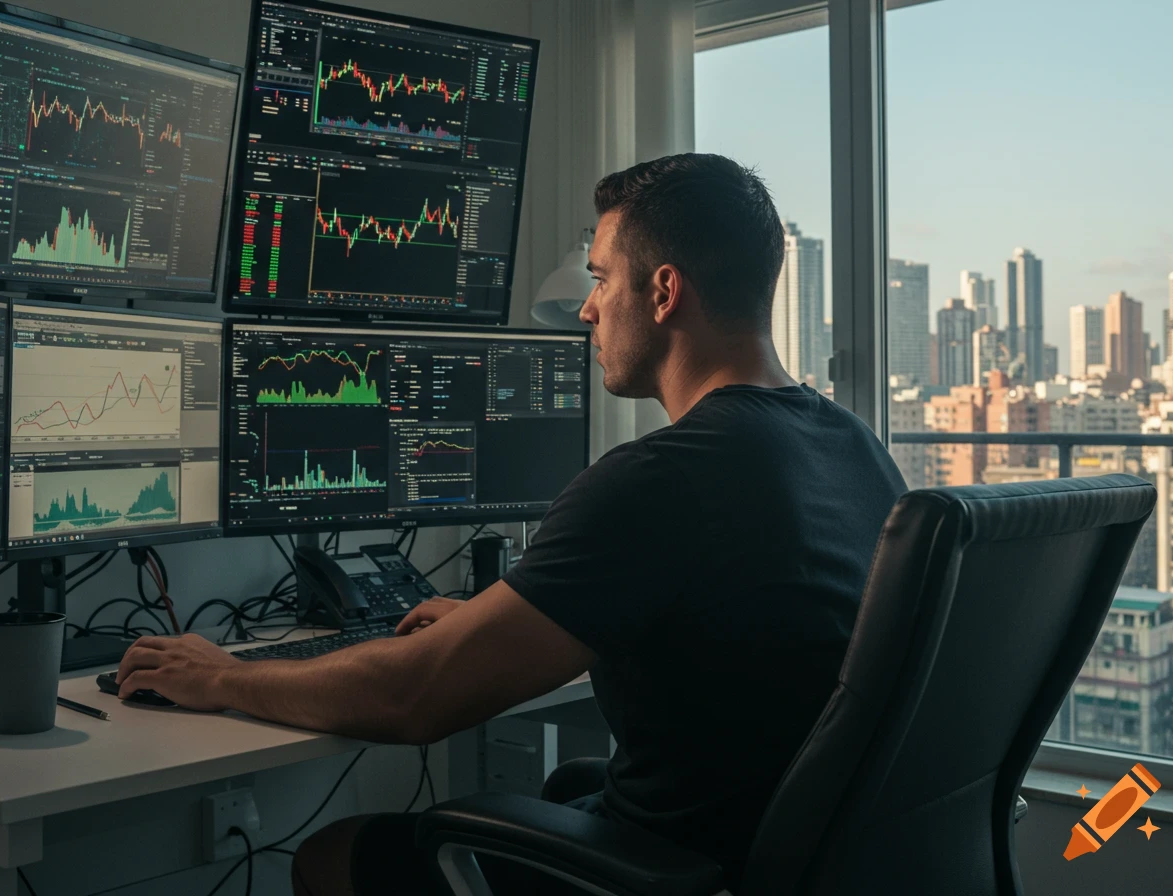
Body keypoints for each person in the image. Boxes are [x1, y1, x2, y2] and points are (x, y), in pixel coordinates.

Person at [115, 153, 907, 895]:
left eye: (601, 279)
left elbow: (416, 698)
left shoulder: (659, 478)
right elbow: (749, 633)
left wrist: (218, 677)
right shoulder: (853, 446)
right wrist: (506, 619)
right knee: (568, 783)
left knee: (331, 854)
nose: (588, 309)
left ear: (664, 293)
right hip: (807, 856)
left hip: (689, 870)